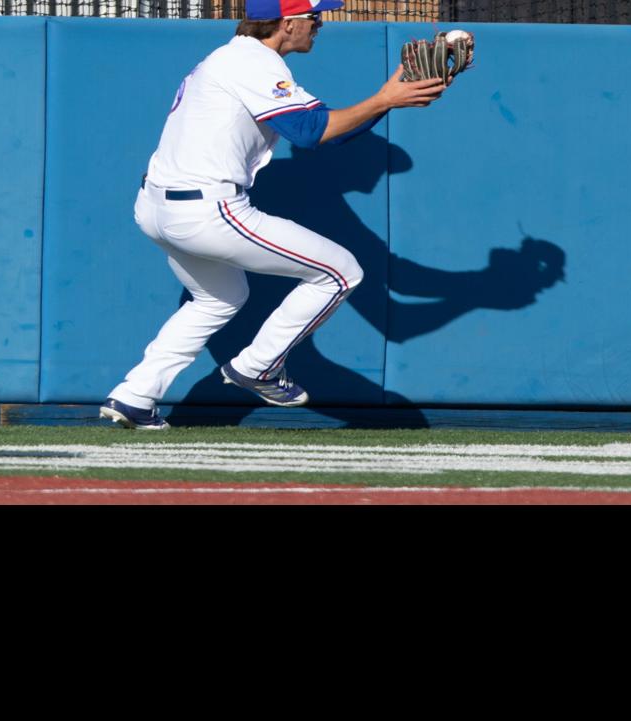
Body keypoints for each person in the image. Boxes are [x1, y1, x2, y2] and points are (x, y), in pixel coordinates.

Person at [100, 0, 448, 430]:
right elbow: (311, 133)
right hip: (206, 209)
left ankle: (135, 396)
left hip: (157, 206)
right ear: (286, 22)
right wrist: (384, 98)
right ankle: (258, 367)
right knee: (340, 271)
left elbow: (323, 130)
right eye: (314, 16)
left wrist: (387, 99)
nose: (320, 24)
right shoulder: (254, 62)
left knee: (218, 299)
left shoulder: (237, 57)